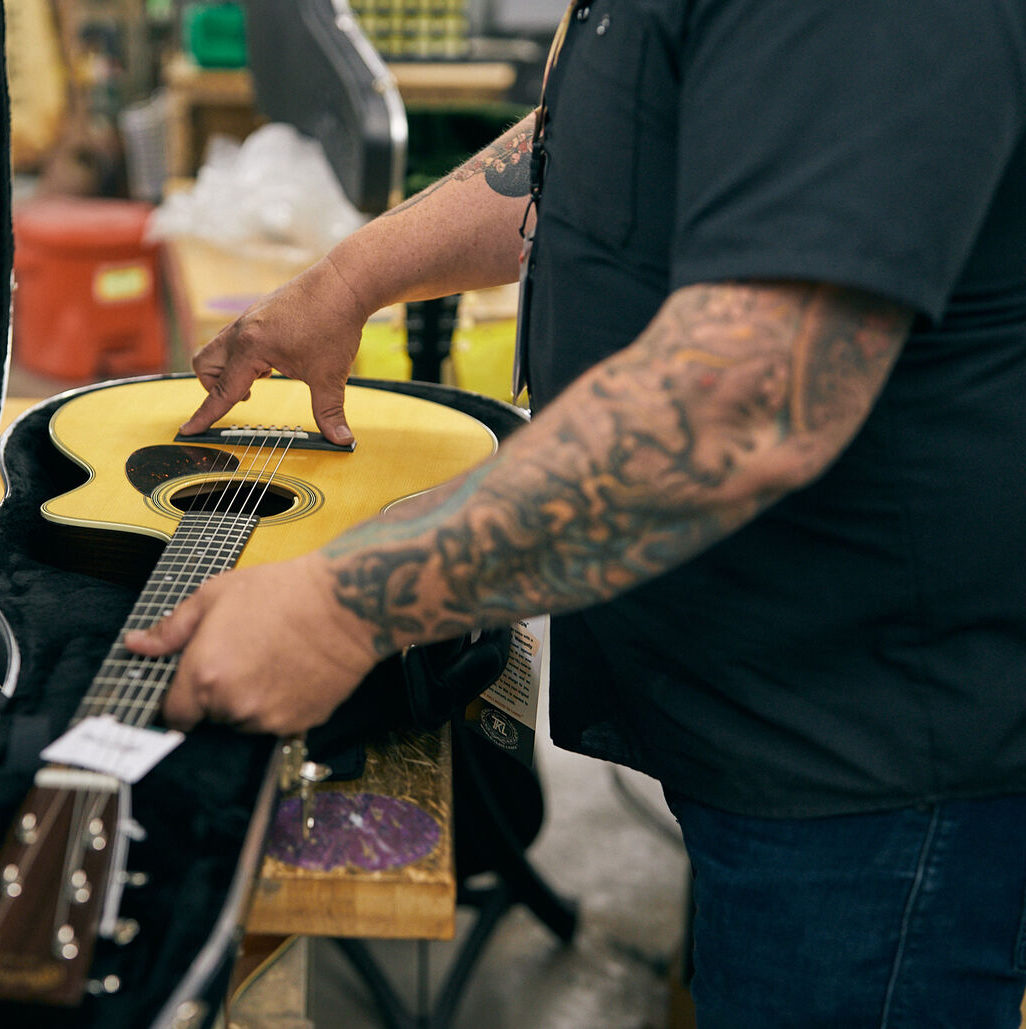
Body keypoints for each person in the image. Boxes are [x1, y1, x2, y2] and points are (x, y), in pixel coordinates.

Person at [126, 1, 1026, 1024]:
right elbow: (596, 146)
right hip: (754, 678)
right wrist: (352, 278)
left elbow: (746, 397)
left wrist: (346, 603)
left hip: (870, 746)